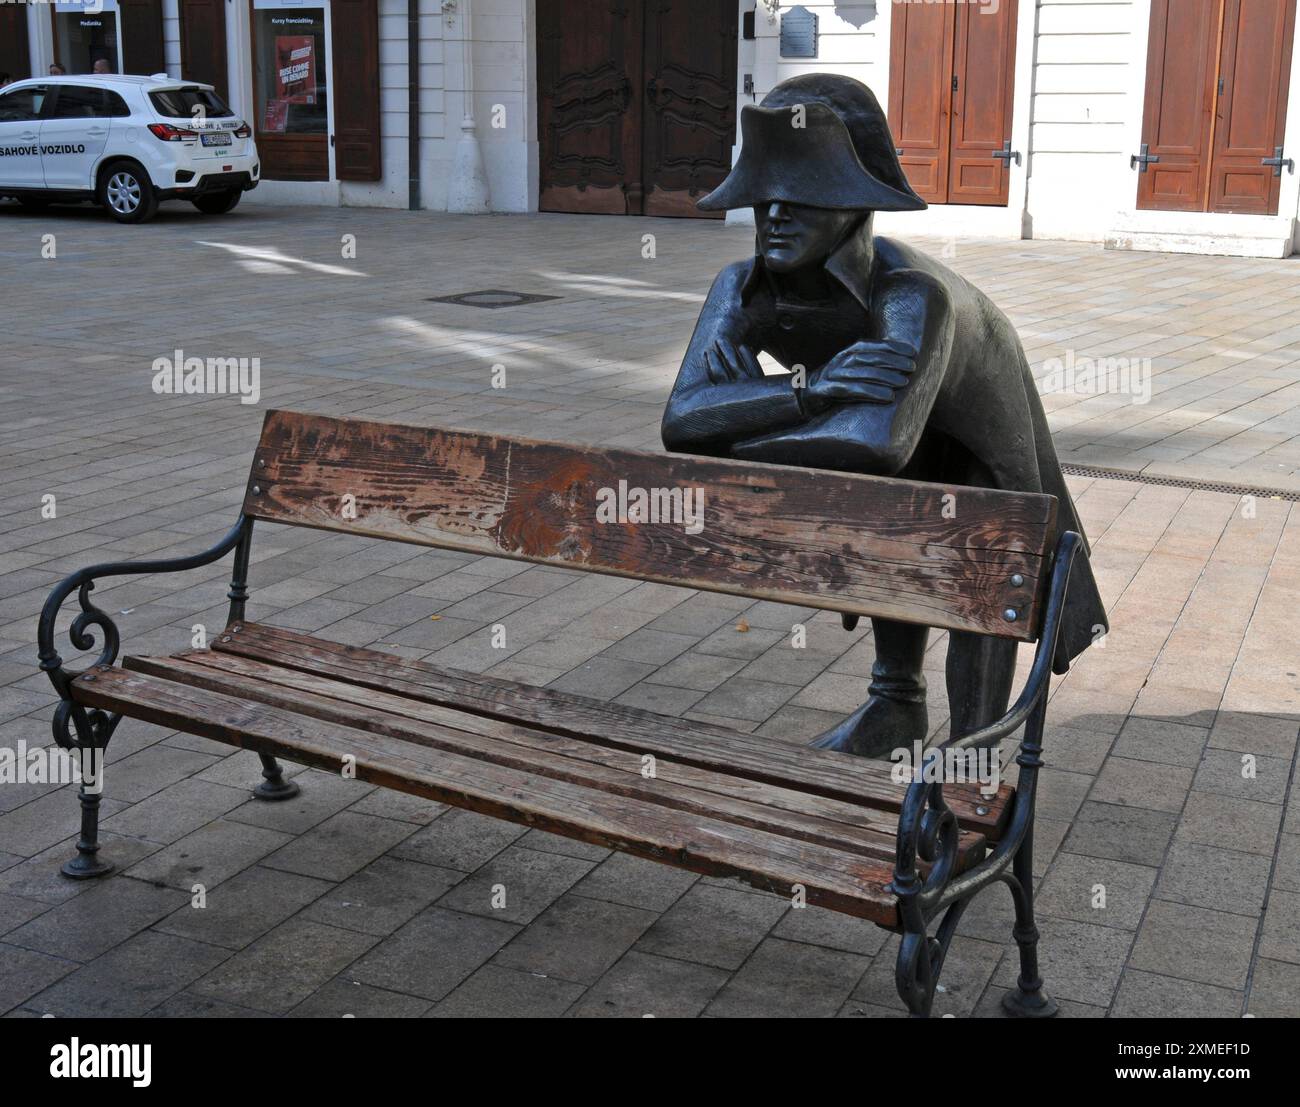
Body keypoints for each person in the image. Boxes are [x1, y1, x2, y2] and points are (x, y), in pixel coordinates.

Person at [662, 74, 1108, 757]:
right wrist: (809, 396)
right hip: (896, 426)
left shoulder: (909, 297)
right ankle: (896, 706)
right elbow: (682, 416)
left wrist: (735, 432)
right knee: (890, 509)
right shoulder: (742, 286)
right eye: (765, 191)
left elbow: (874, 440)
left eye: (804, 192)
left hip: (979, 436)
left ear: (853, 206)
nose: (775, 211)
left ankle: (972, 758)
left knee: (984, 549)